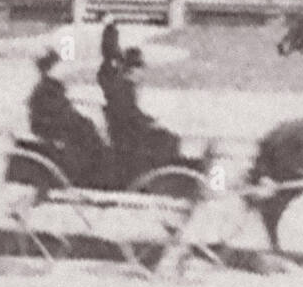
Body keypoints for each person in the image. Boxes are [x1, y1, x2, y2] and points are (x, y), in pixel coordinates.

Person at [26, 48, 110, 186]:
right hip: (51, 129)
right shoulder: (47, 89)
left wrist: (82, 121)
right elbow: (59, 114)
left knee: (89, 132)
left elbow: (64, 111)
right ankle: (89, 178)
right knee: (87, 139)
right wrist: (80, 123)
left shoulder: (50, 87)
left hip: (56, 126)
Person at [100, 46, 185, 183]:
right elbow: (129, 115)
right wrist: (149, 123)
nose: (142, 73)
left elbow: (131, 112)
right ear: (133, 69)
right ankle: (162, 178)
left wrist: (148, 121)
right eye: (140, 68)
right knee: (168, 139)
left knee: (166, 136)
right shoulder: (125, 88)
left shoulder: (124, 87)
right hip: (127, 139)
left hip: (127, 134)